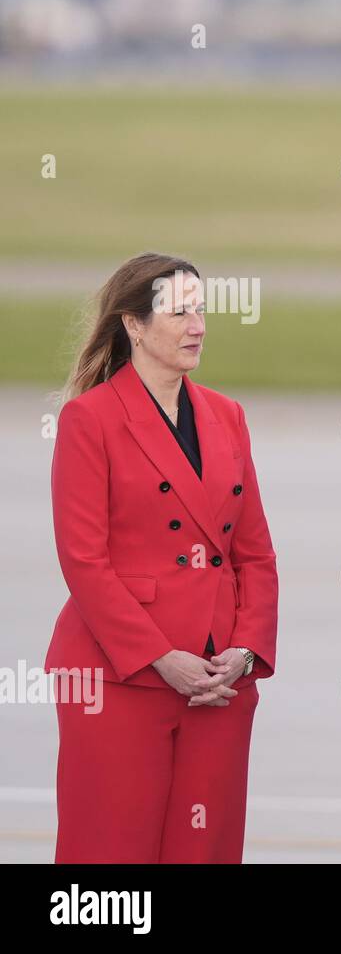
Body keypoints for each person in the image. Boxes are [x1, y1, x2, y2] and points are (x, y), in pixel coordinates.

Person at [48, 252, 278, 863]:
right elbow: (82, 560)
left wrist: (246, 649)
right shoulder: (88, 419)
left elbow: (255, 554)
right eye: (180, 312)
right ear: (134, 324)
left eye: (201, 310)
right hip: (120, 679)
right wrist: (157, 657)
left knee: (205, 849)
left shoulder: (228, 416)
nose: (197, 325)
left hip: (218, 680)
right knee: (111, 853)